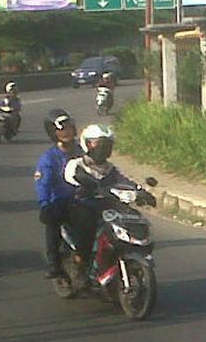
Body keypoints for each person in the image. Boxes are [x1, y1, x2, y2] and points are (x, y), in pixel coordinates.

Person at [63, 124, 141, 291]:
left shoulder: (110, 169)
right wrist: (85, 184)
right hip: (82, 206)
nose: (102, 149)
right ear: (86, 144)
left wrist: (141, 192)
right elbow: (71, 177)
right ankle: (80, 267)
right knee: (86, 228)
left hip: (107, 206)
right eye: (97, 144)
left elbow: (125, 181)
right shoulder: (76, 164)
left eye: (106, 145)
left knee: (133, 218)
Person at [34, 109, 82, 278]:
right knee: (52, 223)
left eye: (69, 128)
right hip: (61, 202)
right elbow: (43, 183)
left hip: (84, 199)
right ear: (53, 133)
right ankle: (54, 263)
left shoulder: (82, 152)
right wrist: (44, 204)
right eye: (62, 129)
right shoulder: (49, 158)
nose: (67, 132)